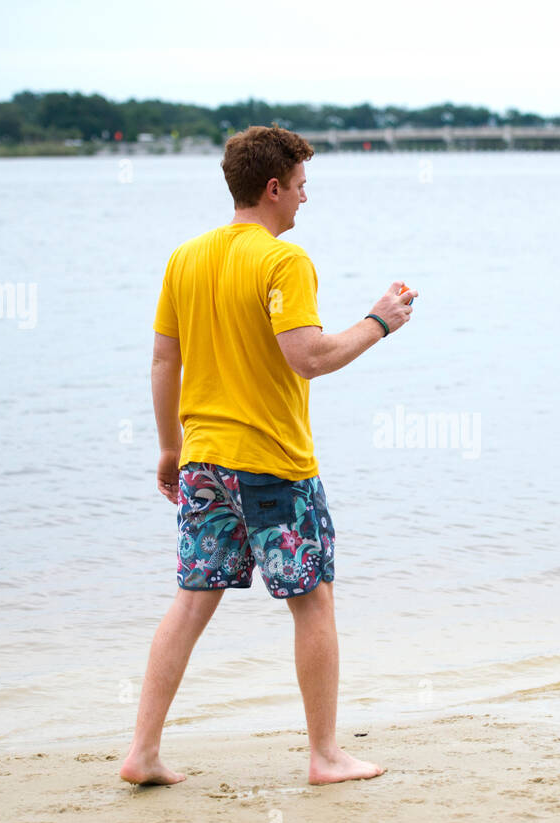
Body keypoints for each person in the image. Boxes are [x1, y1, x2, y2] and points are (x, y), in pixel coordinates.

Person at [120, 125, 417, 786]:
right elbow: (308, 357)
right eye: (303, 187)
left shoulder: (184, 258)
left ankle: (142, 751)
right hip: (273, 463)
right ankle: (325, 755)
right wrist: (379, 322)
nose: (306, 201)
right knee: (312, 599)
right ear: (274, 187)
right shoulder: (284, 261)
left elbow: (165, 359)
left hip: (202, 459)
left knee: (191, 599)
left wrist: (170, 446)